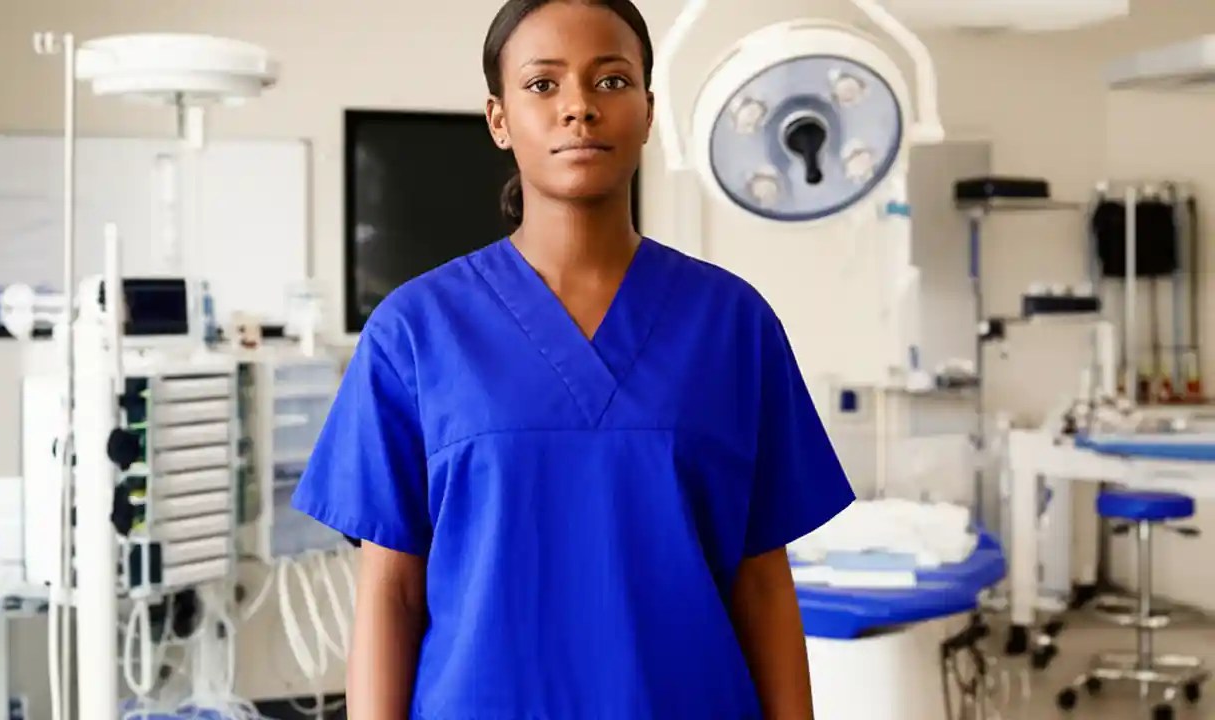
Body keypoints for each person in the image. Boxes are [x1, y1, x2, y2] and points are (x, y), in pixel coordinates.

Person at [290, 0, 856, 717]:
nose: (579, 108)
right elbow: (390, 591)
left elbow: (763, 582)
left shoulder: (732, 324)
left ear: (649, 112)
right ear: (498, 119)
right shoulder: (416, 330)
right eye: (543, 84)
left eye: (611, 82)